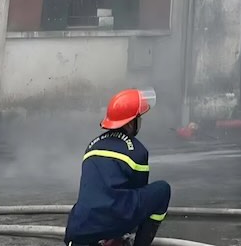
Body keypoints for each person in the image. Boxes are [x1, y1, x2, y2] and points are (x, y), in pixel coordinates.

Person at [64, 89, 172, 246]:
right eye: (138, 118)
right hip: (113, 222)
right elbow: (137, 194)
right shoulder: (137, 151)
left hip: (78, 229)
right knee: (162, 190)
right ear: (130, 123)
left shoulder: (92, 146)